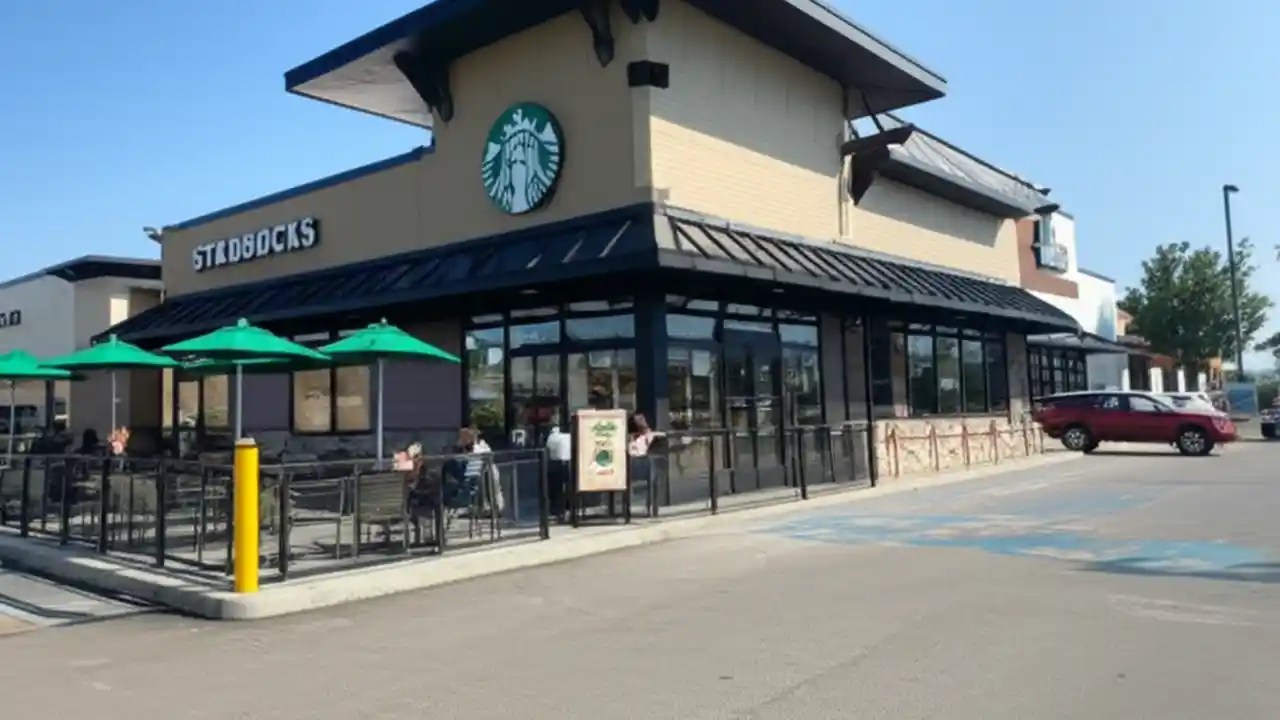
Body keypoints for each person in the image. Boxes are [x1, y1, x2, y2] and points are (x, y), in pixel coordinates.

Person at [545, 425, 571, 522]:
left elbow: (548, 451)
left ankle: (557, 511)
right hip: (567, 463)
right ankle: (564, 510)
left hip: (555, 464)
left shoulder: (551, 438)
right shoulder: (567, 436)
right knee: (565, 488)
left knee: (556, 490)